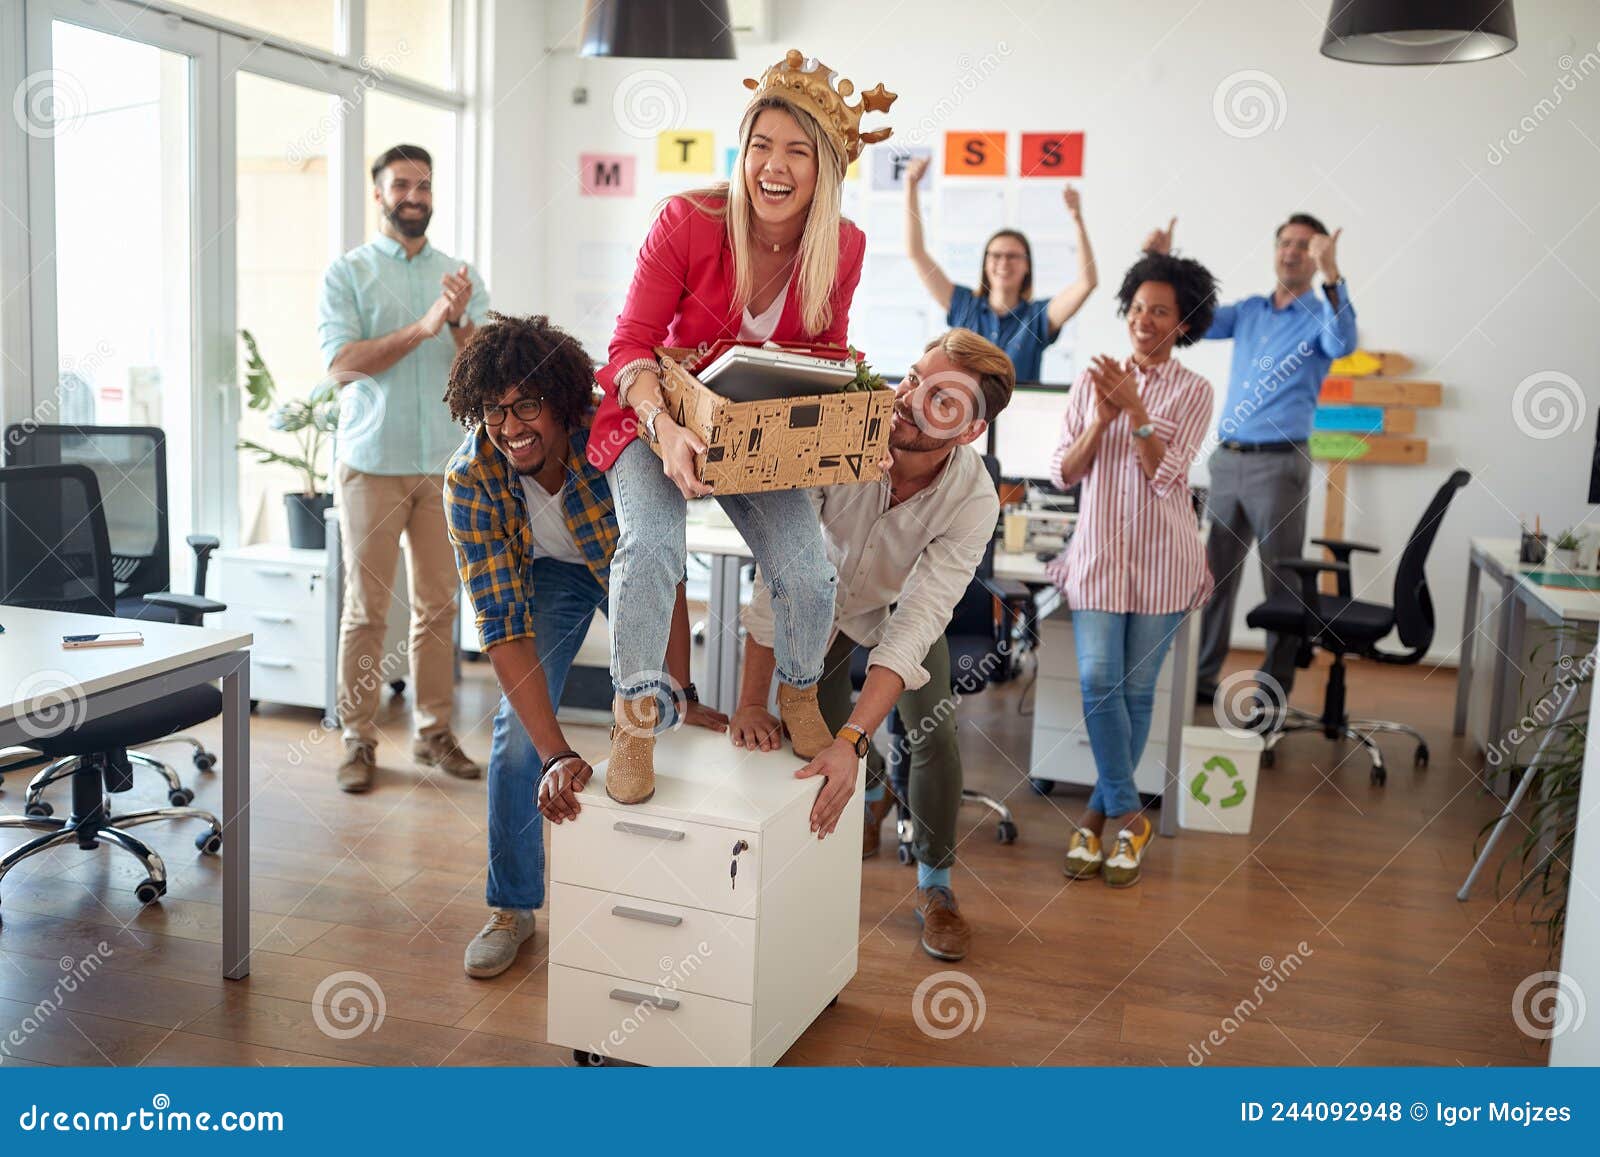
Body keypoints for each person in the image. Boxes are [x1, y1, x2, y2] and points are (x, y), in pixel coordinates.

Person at [585, 50, 895, 814]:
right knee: (653, 546)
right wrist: (664, 428)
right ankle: (634, 719)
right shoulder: (687, 221)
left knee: (808, 571)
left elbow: (826, 356)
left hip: (752, 428)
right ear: (742, 152)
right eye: (761, 145)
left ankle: (796, 691)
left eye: (796, 150)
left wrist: (854, 422)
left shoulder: (843, 247)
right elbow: (628, 345)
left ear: (824, 169)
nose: (773, 166)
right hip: (654, 412)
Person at [443, 313, 727, 978]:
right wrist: (557, 753)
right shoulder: (471, 480)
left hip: (622, 563)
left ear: (564, 402)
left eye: (528, 407)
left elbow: (662, 570)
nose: (511, 427)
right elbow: (501, 624)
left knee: (660, 716)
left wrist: (679, 691)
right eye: (494, 410)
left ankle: (670, 891)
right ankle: (511, 907)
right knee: (516, 739)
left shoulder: (617, 439)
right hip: (544, 579)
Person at [731, 329, 1015, 961]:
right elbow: (779, 576)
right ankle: (874, 788)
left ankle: (936, 886)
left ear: (969, 432)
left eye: (944, 401)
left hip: (896, 611)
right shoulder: (839, 439)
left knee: (932, 732)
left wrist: (857, 739)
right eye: (913, 377)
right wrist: (752, 703)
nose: (909, 401)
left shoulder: (973, 499)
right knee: (816, 740)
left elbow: (918, 620)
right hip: (818, 606)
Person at [318, 143, 488, 793]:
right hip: (372, 461)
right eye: (400, 185)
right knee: (366, 610)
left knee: (439, 606)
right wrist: (422, 327)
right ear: (379, 194)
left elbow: (482, 371)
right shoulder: (349, 273)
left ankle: (432, 732)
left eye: (423, 184)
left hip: (445, 465)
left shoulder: (458, 276)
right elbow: (341, 366)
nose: (413, 195)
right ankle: (357, 738)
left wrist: (461, 321)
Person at [1047, 251, 1217, 888]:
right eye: (1138, 308)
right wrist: (1103, 416)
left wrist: (1137, 411)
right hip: (1095, 559)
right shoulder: (1094, 381)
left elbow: (1169, 475)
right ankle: (1128, 812)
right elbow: (1065, 469)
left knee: (1136, 693)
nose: (1144, 320)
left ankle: (1095, 816)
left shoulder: (1194, 391)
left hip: (1164, 564)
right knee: (1098, 680)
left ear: (1184, 323)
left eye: (1161, 311)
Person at [1143, 215, 1357, 706]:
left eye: (1304, 246)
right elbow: (1189, 323)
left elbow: (1344, 344)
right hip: (1228, 461)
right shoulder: (1251, 311)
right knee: (1213, 580)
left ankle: (1271, 691)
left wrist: (1334, 277)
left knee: (1281, 583)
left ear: (1317, 254)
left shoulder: (1322, 314)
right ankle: (1200, 679)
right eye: (1285, 243)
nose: (1292, 252)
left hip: (1280, 464)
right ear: (1275, 249)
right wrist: (1159, 264)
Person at [904, 155, 1097, 381]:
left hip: (1018, 415)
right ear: (985, 264)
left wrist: (1078, 220)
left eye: (1013, 256)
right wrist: (911, 186)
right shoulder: (964, 304)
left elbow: (1087, 283)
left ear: (1027, 266)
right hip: (960, 413)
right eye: (996, 255)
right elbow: (916, 252)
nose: (1004, 262)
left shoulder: (1037, 317)